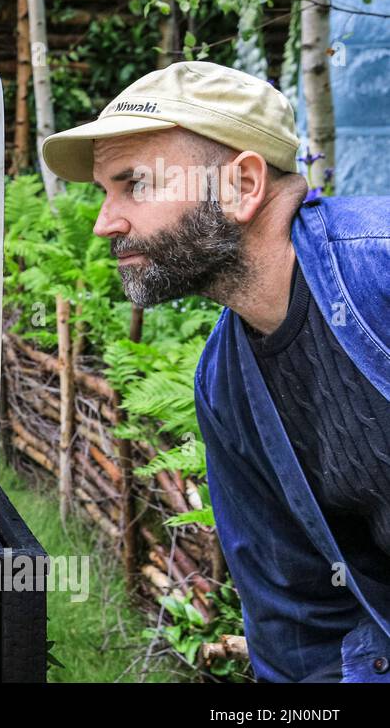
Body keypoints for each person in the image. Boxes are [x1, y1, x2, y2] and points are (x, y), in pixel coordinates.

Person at [40, 60, 390, 683]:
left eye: (134, 184)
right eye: (104, 192)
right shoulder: (226, 383)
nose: (104, 223)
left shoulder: (380, 272)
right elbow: (296, 617)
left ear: (243, 185)